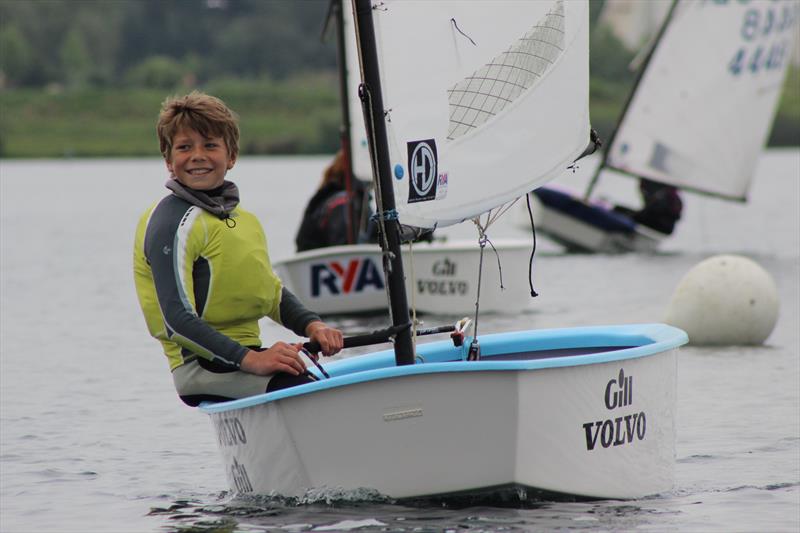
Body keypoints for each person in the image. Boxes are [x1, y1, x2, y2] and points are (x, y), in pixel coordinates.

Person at [133, 91, 343, 407]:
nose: (198, 155)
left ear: (231, 156)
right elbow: (176, 318)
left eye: (210, 145)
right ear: (168, 160)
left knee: (323, 382)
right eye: (184, 147)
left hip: (244, 357)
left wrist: (314, 325)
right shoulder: (170, 223)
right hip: (199, 366)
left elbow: (272, 294)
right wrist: (251, 361)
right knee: (307, 391)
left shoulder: (245, 220)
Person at [295, 149, 377, 252]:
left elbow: (373, 232)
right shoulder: (342, 201)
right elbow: (342, 245)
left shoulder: (335, 196)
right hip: (329, 259)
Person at [614, 178, 683, 235]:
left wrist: (632, 216)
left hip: (661, 226)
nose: (642, 191)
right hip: (659, 223)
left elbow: (654, 212)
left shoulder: (665, 194)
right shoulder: (666, 193)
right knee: (619, 209)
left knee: (619, 211)